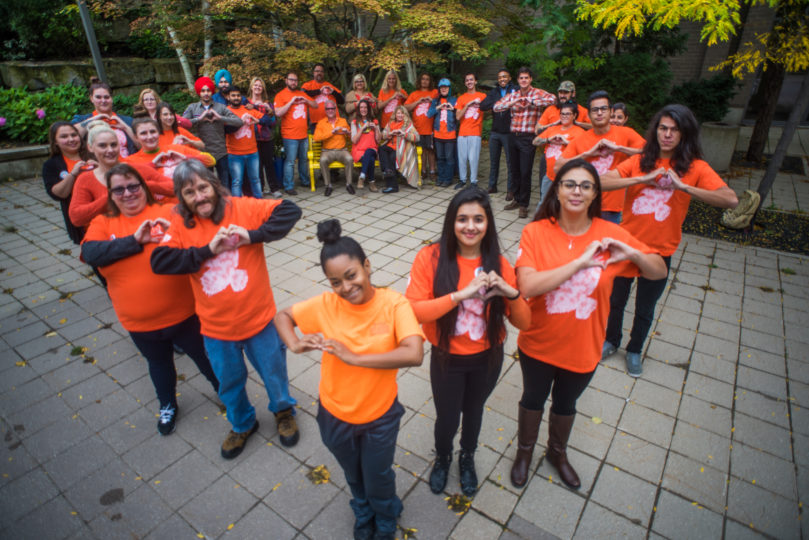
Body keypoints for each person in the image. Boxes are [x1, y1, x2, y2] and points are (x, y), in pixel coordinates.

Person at [510, 158, 667, 489]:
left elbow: (659, 271)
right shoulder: (536, 232)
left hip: (584, 347)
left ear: (596, 194)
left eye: (585, 185)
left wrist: (632, 253)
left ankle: (557, 453)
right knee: (532, 399)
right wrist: (581, 262)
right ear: (557, 189)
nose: (576, 191)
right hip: (538, 343)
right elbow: (527, 286)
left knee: (566, 404)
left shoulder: (610, 234)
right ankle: (524, 452)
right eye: (569, 184)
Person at [275, 218, 424, 540]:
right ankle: (363, 512)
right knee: (354, 475)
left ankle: (385, 519)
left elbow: (414, 353)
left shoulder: (393, 303)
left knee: (378, 476)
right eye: (335, 282)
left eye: (351, 275)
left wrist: (354, 357)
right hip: (334, 415)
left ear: (367, 266)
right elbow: (282, 316)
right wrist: (295, 343)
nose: (346, 287)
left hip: (379, 417)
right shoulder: (326, 305)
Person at [150, 159, 303, 458]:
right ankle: (243, 423)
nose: (200, 197)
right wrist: (208, 251)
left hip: (259, 320)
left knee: (274, 373)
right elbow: (160, 262)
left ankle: (283, 411)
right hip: (216, 328)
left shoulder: (241, 208)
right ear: (181, 197)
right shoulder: (179, 221)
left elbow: (290, 210)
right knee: (230, 383)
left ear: (215, 185)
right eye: (189, 192)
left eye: (203, 188)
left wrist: (252, 235)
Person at [406, 187, 530, 496]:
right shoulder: (430, 257)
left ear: (488, 223)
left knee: (474, 411)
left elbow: (525, 322)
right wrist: (459, 296)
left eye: (478, 219)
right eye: (462, 219)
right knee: (447, 416)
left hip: (488, 357)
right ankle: (443, 456)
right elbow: (413, 311)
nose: (470, 226)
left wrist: (511, 292)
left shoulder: (499, 263)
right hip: (447, 357)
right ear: (451, 222)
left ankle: (467, 456)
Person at [81, 163, 219, 435]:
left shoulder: (167, 211)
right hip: (139, 322)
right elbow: (91, 253)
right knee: (159, 365)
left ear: (144, 187)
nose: (128, 193)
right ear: (110, 194)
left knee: (205, 358)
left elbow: (203, 236)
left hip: (185, 314)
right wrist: (135, 241)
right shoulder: (103, 222)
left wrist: (179, 232)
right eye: (119, 189)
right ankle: (167, 404)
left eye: (134, 186)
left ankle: (225, 391)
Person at [601, 104, 738, 376]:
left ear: (685, 134)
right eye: (663, 128)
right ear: (655, 131)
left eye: (674, 130)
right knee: (615, 301)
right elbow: (602, 181)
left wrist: (684, 186)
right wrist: (642, 178)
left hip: (659, 251)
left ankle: (635, 350)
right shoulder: (641, 160)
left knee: (645, 308)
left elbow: (730, 199)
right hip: (626, 246)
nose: (667, 134)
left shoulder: (696, 167)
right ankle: (611, 341)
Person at [556, 90, 645, 224]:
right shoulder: (581, 139)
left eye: (603, 109)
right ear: (589, 114)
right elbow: (557, 167)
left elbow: (649, 153)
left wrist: (619, 148)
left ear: (610, 111)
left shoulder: (626, 133)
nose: (599, 113)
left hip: (612, 208)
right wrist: (587, 154)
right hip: (584, 204)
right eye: (595, 109)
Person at [69, 123, 175, 228]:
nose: (110, 150)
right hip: (110, 236)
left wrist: (143, 185)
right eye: (102, 145)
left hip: (146, 227)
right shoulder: (86, 179)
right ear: (90, 147)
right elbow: (76, 218)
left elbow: (175, 188)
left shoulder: (138, 169)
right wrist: (112, 195)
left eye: (114, 144)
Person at [494, 67, 555, 218]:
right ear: (518, 80)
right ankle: (516, 198)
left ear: (530, 79)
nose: (523, 81)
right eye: (521, 78)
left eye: (526, 78)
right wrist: (512, 102)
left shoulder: (537, 93)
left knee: (525, 171)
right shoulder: (513, 95)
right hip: (513, 135)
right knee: (514, 170)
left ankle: (524, 204)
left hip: (528, 138)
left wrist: (532, 101)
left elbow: (553, 99)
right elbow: (496, 107)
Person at [182, 76, 244, 191]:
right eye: (203, 91)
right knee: (206, 185)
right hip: (202, 152)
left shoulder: (220, 107)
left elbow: (239, 121)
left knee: (225, 185)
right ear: (199, 92)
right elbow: (182, 124)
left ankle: (227, 206)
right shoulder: (192, 107)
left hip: (220, 152)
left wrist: (220, 117)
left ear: (212, 91)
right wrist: (199, 119)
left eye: (208, 90)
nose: (206, 93)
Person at [42, 121, 93, 244]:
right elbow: (59, 194)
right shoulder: (51, 165)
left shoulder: (92, 155)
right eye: (64, 137)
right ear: (56, 142)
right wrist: (72, 174)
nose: (71, 139)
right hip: (82, 222)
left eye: (73, 135)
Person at [127, 117, 215, 180]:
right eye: (143, 133)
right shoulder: (131, 161)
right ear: (136, 137)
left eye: (153, 131)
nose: (149, 137)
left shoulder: (175, 149)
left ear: (159, 133)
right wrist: (152, 165)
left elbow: (211, 161)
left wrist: (185, 158)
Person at [533, 102, 585, 205]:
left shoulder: (579, 132)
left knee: (563, 205)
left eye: (567, 114)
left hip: (567, 178)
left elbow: (584, 151)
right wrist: (548, 139)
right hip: (549, 176)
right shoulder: (553, 129)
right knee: (544, 203)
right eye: (562, 114)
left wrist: (567, 142)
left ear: (574, 116)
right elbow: (535, 141)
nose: (564, 116)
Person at [274, 71, 317, 195]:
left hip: (303, 134)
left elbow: (315, 105)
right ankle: (288, 185)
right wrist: (291, 102)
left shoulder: (301, 93)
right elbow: (278, 113)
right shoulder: (280, 95)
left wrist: (306, 100)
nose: (294, 82)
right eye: (291, 80)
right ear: (286, 80)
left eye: (295, 80)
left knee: (304, 160)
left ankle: (304, 180)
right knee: (291, 161)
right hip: (289, 135)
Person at [224, 85, 271, 198]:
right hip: (234, 154)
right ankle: (238, 208)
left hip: (252, 152)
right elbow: (227, 130)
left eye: (238, 95)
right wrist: (241, 121)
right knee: (237, 182)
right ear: (228, 97)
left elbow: (267, 119)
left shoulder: (247, 109)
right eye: (233, 95)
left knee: (255, 180)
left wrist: (257, 120)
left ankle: (258, 205)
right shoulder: (226, 111)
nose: (236, 98)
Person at [71, 79, 137, 158]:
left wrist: (125, 127)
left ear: (111, 99)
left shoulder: (127, 121)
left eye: (106, 97)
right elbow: (72, 136)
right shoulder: (82, 119)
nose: (103, 100)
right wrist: (92, 120)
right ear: (91, 98)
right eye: (98, 97)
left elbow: (142, 145)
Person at [480, 68, 517, 196]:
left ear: (510, 78)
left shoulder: (515, 90)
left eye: (505, 77)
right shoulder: (494, 92)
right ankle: (492, 186)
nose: (502, 79)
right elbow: (483, 106)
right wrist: (499, 103)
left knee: (510, 162)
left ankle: (511, 189)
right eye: (500, 77)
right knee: (493, 161)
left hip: (509, 132)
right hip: (495, 132)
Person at [247, 77, 281, 197]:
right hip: (252, 138)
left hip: (267, 137)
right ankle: (260, 189)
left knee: (269, 163)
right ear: (251, 87)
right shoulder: (247, 103)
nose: (257, 87)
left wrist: (268, 109)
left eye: (260, 86)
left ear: (263, 89)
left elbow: (273, 123)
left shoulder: (268, 103)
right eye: (255, 85)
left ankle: (274, 188)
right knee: (257, 165)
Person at [313, 100, 355, 196]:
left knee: (349, 159)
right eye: (328, 108)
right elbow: (316, 138)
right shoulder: (321, 123)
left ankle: (349, 184)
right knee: (322, 160)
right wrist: (331, 132)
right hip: (327, 151)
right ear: (325, 110)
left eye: (332, 108)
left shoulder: (343, 121)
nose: (330, 110)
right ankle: (328, 185)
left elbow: (351, 136)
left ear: (335, 109)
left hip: (342, 150)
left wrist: (347, 132)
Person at [454, 73, 487, 190]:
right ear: (465, 83)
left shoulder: (482, 96)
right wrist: (467, 105)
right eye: (467, 80)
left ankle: (473, 181)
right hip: (463, 132)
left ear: (476, 81)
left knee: (473, 158)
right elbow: (458, 117)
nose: (469, 82)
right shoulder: (461, 98)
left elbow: (490, 107)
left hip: (475, 131)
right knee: (462, 158)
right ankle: (462, 180)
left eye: (471, 80)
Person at [404, 73, 438, 182]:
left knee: (431, 150)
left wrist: (431, 100)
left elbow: (441, 104)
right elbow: (406, 108)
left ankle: (432, 171)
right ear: (420, 81)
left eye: (427, 79)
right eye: (423, 79)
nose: (425, 81)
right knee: (422, 150)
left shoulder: (434, 92)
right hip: (418, 128)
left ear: (430, 81)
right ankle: (423, 171)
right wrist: (418, 101)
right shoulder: (414, 94)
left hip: (431, 128)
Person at [380, 105, 420, 193]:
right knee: (381, 149)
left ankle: (392, 186)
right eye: (398, 113)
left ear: (405, 115)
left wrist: (404, 134)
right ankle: (386, 170)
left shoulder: (408, 125)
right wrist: (390, 133)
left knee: (392, 158)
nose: (400, 115)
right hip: (390, 146)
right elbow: (382, 135)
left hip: (402, 149)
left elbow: (417, 137)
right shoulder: (391, 123)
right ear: (395, 114)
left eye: (402, 113)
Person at [427, 79, 458, 188]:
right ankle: (441, 177)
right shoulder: (435, 101)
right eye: (442, 87)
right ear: (439, 89)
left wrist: (453, 109)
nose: (444, 89)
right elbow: (429, 114)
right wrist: (438, 108)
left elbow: (459, 115)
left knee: (449, 158)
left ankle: (448, 179)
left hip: (450, 134)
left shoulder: (454, 100)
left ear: (449, 89)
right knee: (440, 157)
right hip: (438, 134)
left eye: (446, 87)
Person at [350, 99, 382, 192]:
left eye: (365, 107)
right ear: (358, 109)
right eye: (361, 107)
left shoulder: (375, 121)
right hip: (359, 151)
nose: (363, 109)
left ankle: (362, 176)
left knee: (369, 152)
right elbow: (354, 140)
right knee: (370, 159)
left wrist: (376, 129)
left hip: (372, 149)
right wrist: (362, 128)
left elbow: (378, 140)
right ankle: (372, 182)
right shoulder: (354, 122)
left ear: (368, 109)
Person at [302, 63, 345, 132]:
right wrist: (319, 91)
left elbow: (342, 101)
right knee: (317, 142)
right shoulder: (308, 85)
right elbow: (302, 95)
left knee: (332, 142)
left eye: (321, 71)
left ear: (324, 73)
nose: (319, 73)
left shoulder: (329, 85)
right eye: (317, 71)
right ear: (313, 73)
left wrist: (333, 92)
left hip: (331, 121)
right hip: (315, 122)